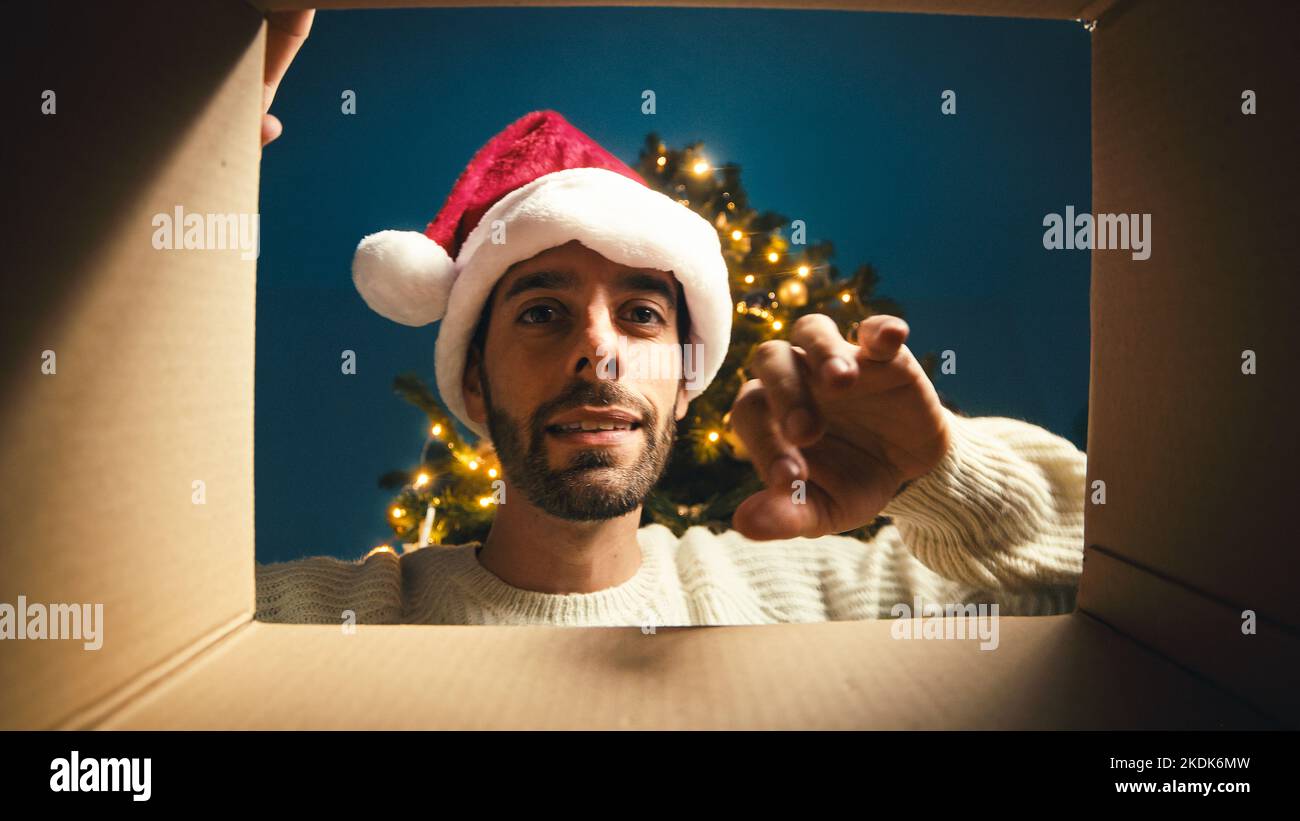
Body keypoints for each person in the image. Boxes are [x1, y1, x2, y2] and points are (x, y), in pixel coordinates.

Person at [254, 108, 1086, 627]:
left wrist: (932, 474)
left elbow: (1132, 574)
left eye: (642, 314)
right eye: (542, 312)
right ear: (473, 383)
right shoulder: (341, 615)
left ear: (686, 382)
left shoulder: (804, 596)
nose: (599, 349)